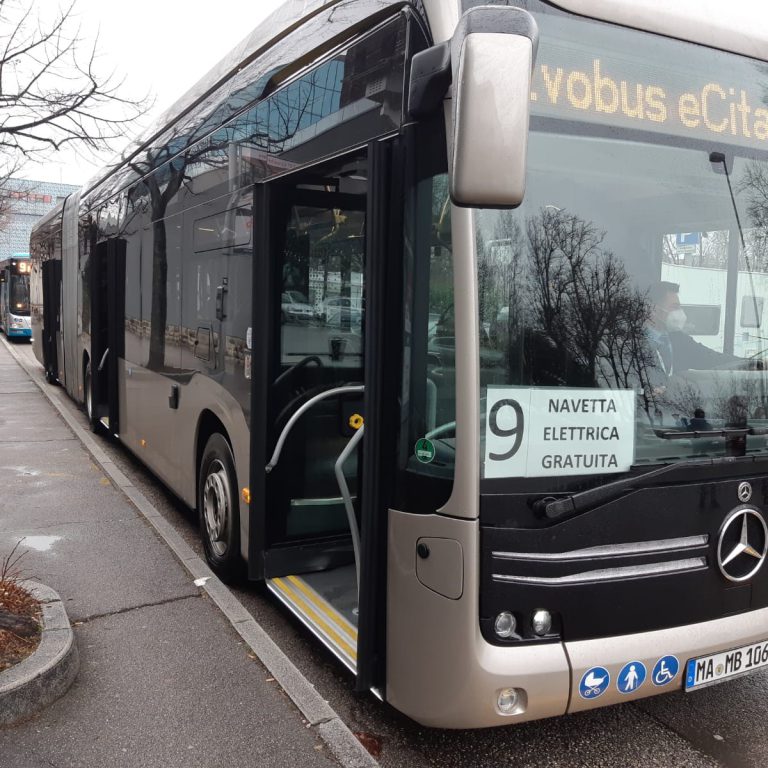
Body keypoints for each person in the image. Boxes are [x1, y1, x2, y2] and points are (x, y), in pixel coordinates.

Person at [647, 281, 740, 377]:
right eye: (674, 307)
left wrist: (752, 364)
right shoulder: (635, 342)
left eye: (679, 307)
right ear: (654, 310)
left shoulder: (680, 340)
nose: (680, 312)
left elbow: (713, 359)